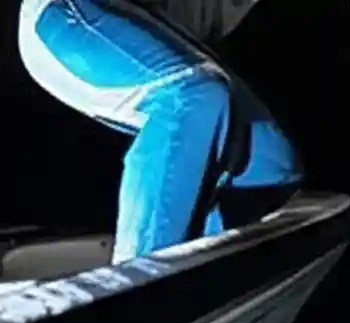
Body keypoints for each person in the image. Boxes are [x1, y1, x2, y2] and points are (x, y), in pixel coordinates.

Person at [16, 0, 304, 264]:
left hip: (146, 19)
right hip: (68, 14)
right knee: (194, 95)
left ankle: (200, 267)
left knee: (274, 166)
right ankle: (135, 279)